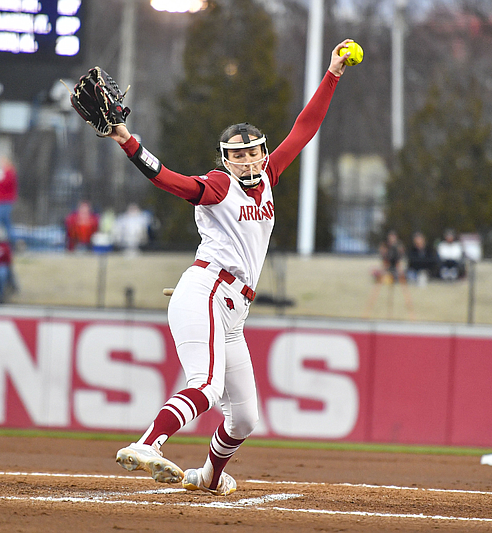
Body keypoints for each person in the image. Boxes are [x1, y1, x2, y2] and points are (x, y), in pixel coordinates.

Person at [101, 40, 352, 496]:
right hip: (210, 292)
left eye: (253, 151)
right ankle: (148, 444)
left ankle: (209, 476)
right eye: (237, 155)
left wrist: (332, 72)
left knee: (246, 418)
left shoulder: (271, 177)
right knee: (208, 388)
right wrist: (127, 140)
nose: (247, 160)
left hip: (233, 308)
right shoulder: (219, 185)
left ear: (262, 151)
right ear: (225, 160)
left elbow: (305, 127)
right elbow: (171, 180)